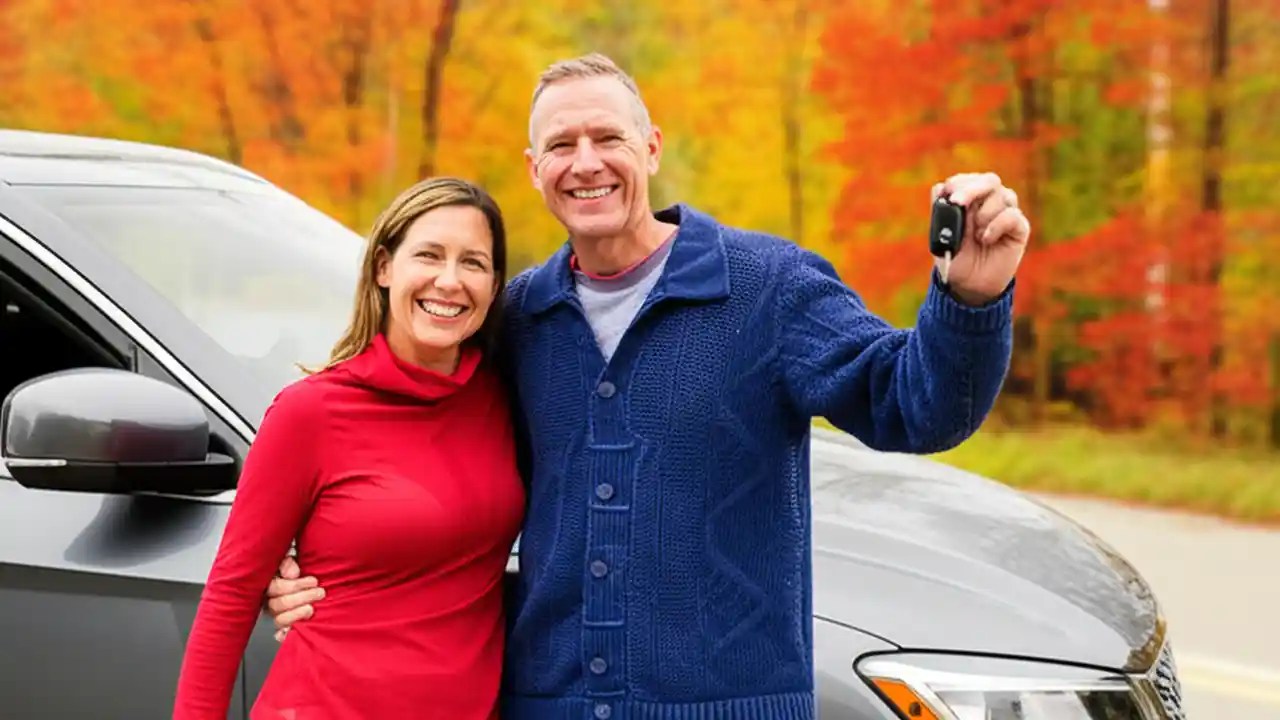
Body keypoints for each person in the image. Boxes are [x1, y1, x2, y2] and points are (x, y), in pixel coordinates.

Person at [266, 54, 1031, 720]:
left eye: (608, 138)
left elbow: (914, 406)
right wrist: (304, 553)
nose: (586, 161)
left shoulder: (767, 289)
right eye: (561, 145)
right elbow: (410, 449)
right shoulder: (519, 318)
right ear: (535, 169)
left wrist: (968, 302)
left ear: (652, 148)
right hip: (546, 704)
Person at [173, 177, 525, 720]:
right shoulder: (309, 413)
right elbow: (230, 594)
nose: (449, 281)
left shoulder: (505, 399)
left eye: (474, 263)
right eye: (428, 255)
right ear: (384, 267)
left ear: (496, 283)